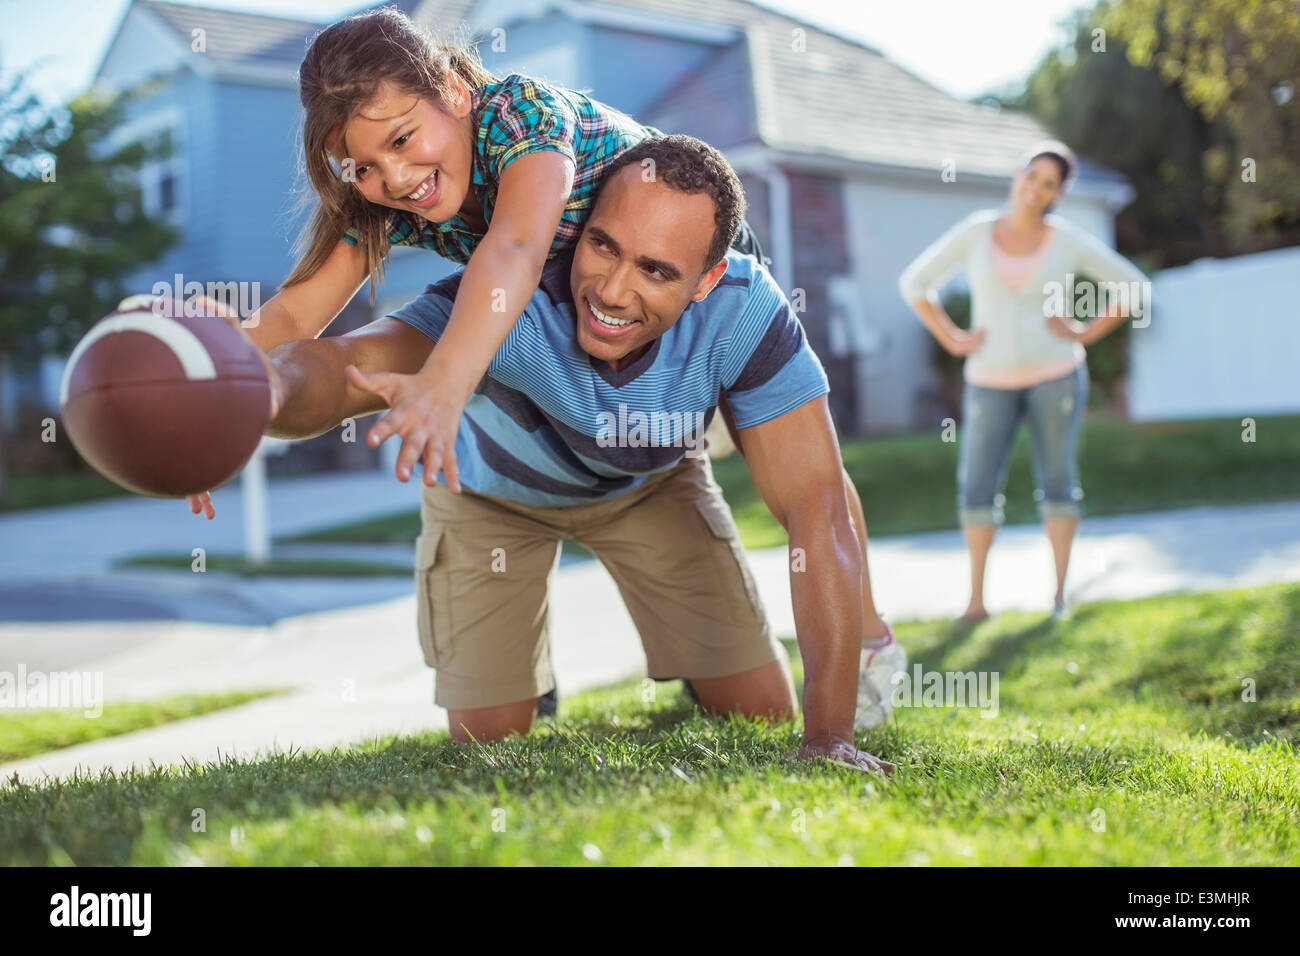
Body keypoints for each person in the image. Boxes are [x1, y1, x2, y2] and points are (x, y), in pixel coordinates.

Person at [217, 135, 900, 773]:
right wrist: (262, 389)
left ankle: (696, 659)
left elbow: (820, 510)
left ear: (706, 280)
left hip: (651, 489)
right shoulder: (504, 296)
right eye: (603, 246)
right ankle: (527, 683)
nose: (611, 290)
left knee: (760, 713)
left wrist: (829, 737)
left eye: (656, 270)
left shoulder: (746, 315)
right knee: (491, 744)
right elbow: (342, 367)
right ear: (579, 226)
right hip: (490, 495)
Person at [898, 141, 1148, 621]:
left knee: (1057, 483)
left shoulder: (1067, 241)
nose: (1036, 189)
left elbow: (1133, 286)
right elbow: (915, 283)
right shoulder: (977, 233)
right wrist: (951, 338)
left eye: (1049, 184)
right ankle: (975, 602)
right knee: (976, 487)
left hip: (1056, 376)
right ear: (1019, 175)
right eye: (1033, 176)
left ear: (1057, 194)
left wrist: (1084, 331)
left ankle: (1059, 597)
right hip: (988, 380)